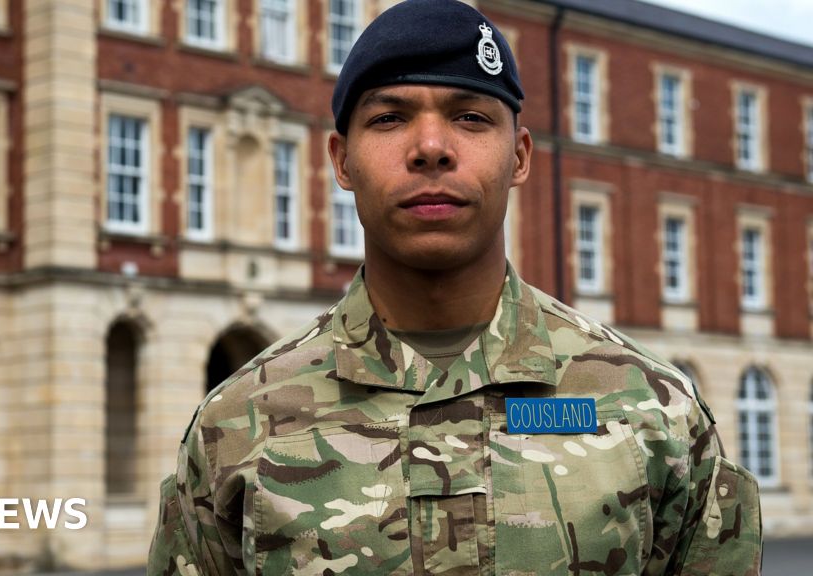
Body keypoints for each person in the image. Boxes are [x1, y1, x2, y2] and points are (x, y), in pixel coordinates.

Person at [147, 0, 763, 574]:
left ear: (520, 157)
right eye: (390, 118)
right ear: (340, 161)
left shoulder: (657, 409)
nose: (432, 149)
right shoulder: (233, 426)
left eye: (470, 118)